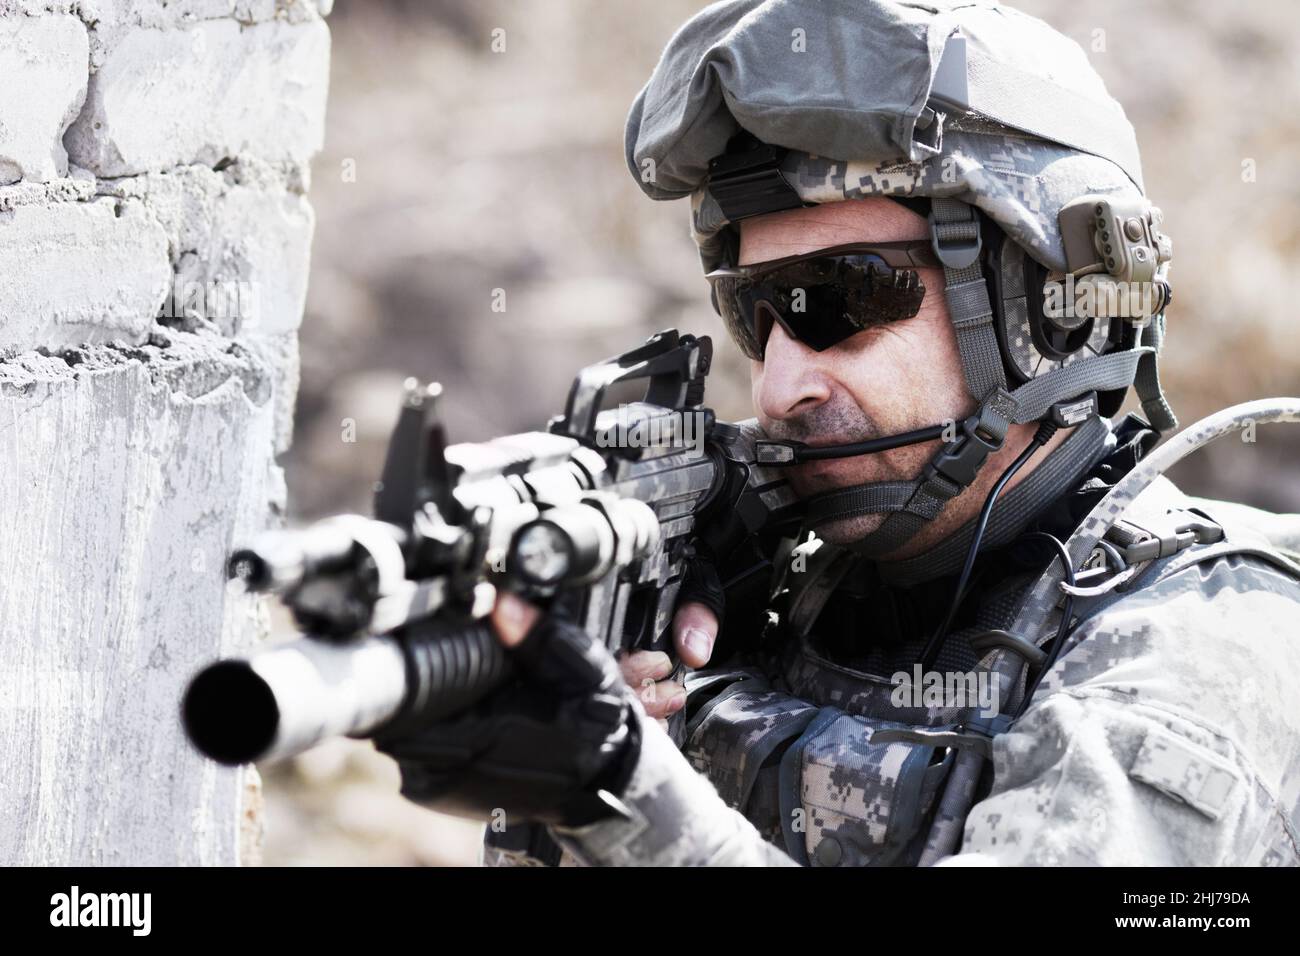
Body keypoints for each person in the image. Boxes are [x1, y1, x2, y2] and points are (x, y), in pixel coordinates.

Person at [379, 0, 1300, 866]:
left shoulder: (1206, 650)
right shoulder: (796, 586)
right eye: (754, 314)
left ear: (1044, 315)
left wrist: (620, 790)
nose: (782, 383)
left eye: (838, 299)